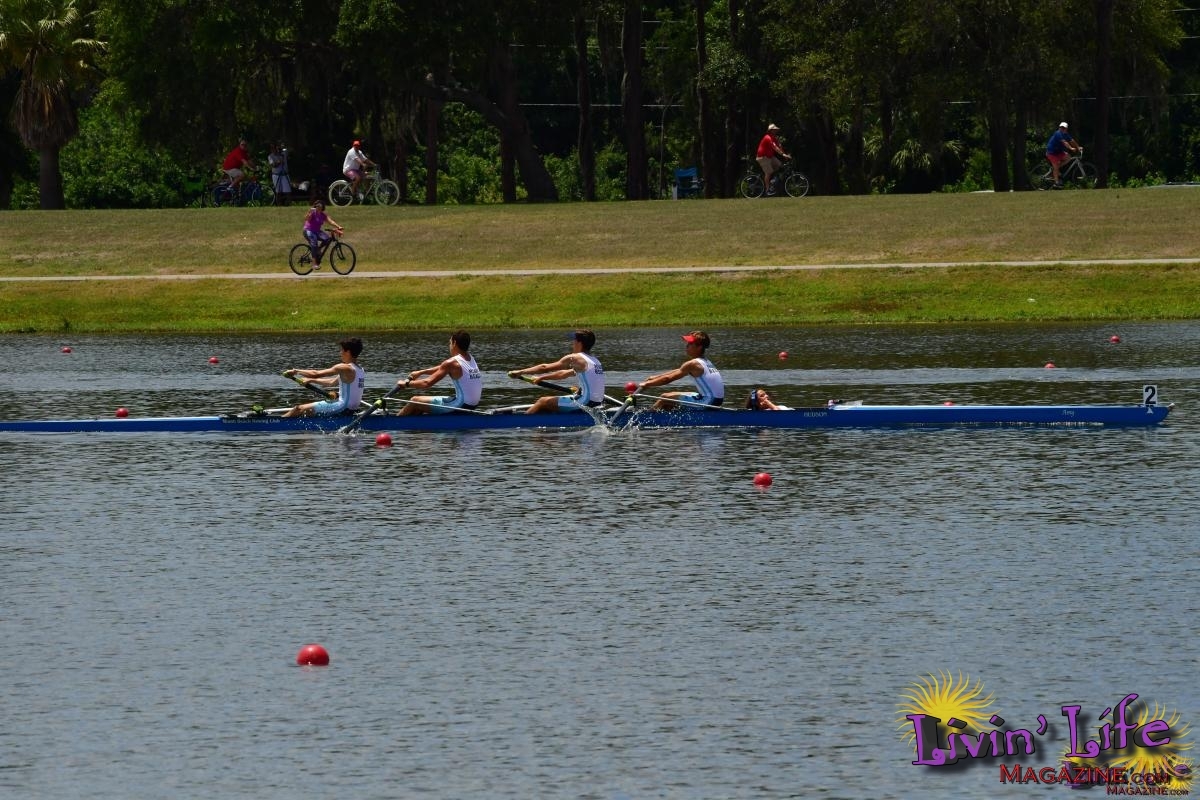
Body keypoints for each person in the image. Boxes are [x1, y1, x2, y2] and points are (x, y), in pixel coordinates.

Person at [507, 330, 606, 414]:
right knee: (550, 404)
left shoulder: (575, 358)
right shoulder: (595, 361)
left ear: (579, 343)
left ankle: (524, 422)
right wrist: (542, 378)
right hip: (597, 402)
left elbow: (545, 367)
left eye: (574, 341)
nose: (572, 344)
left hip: (585, 402)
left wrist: (520, 372)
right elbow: (563, 374)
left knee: (542, 401)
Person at [395, 330, 483, 416]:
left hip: (459, 406)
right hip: (471, 406)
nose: (449, 346)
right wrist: (421, 372)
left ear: (454, 343)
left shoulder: (451, 363)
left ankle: (394, 424)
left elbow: (426, 383)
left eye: (450, 343)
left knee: (414, 400)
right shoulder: (470, 359)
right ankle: (415, 425)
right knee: (420, 405)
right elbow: (442, 367)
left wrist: (406, 384)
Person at [636, 331, 725, 410]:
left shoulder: (693, 364)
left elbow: (668, 379)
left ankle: (648, 417)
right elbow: (678, 370)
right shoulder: (705, 361)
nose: (687, 346)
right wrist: (656, 377)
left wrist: (647, 384)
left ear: (699, 347)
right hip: (716, 400)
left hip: (709, 402)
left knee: (664, 397)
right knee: (671, 396)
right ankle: (665, 417)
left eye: (690, 344)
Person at [281, 338, 365, 417]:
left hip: (342, 407)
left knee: (298, 409)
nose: (340, 353)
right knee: (308, 411)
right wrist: (311, 380)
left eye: (342, 350)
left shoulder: (344, 367)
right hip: (352, 408)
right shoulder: (360, 370)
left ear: (348, 352)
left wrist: (295, 371)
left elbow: (316, 373)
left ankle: (276, 422)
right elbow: (331, 382)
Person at [302, 200, 343, 269]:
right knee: (314, 244)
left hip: (317, 231)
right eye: (317, 206)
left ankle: (317, 250)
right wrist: (310, 212)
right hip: (308, 230)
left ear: (323, 207)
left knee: (327, 239)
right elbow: (307, 219)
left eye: (320, 206)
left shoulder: (323, 215)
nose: (319, 207)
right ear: (315, 206)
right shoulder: (313, 212)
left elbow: (330, 221)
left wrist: (338, 226)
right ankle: (314, 264)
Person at [756, 124, 791, 196]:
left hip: (770, 157)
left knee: (780, 166)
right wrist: (783, 154)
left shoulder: (774, 138)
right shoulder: (767, 137)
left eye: (776, 130)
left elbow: (779, 146)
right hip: (763, 157)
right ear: (770, 131)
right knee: (769, 172)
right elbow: (775, 147)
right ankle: (767, 190)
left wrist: (784, 154)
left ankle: (772, 181)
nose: (776, 131)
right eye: (774, 130)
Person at [1045, 122, 1082, 188]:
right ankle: (1056, 183)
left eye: (1064, 128)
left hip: (1059, 152)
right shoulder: (1057, 133)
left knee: (1068, 157)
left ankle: (1055, 170)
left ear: (1066, 129)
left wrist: (1078, 147)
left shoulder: (1066, 134)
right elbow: (1065, 143)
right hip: (1051, 152)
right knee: (1056, 167)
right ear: (1059, 127)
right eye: (1061, 127)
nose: (1062, 129)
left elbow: (1072, 141)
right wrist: (1071, 148)